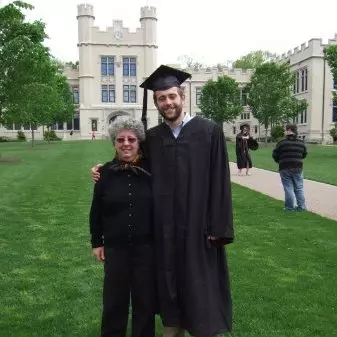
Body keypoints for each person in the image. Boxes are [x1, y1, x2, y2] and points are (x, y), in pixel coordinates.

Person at [92, 65, 234, 337]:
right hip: (163, 228)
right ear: (156, 102)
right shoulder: (153, 138)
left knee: (198, 281)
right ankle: (173, 327)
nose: (168, 102)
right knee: (169, 279)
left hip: (198, 227)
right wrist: (103, 169)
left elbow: (220, 181)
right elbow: (129, 161)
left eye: (172, 96)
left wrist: (219, 228)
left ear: (182, 96)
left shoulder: (209, 132)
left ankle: (203, 328)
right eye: (161, 98)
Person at [89, 116, 155, 337]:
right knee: (114, 302)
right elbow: (96, 210)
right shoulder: (104, 173)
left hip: (146, 248)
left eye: (131, 139)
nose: (126, 143)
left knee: (144, 303)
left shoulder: (153, 171)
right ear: (114, 143)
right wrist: (97, 242)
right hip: (115, 249)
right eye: (120, 139)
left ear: (138, 142)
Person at [272, 123, 307, 211]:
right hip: (298, 167)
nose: (284, 132)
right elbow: (304, 154)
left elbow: (275, 154)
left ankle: (289, 207)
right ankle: (301, 207)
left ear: (289, 130)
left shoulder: (282, 143)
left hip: (285, 167)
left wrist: (279, 161)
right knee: (299, 188)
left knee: (288, 188)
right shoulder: (301, 142)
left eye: (285, 130)